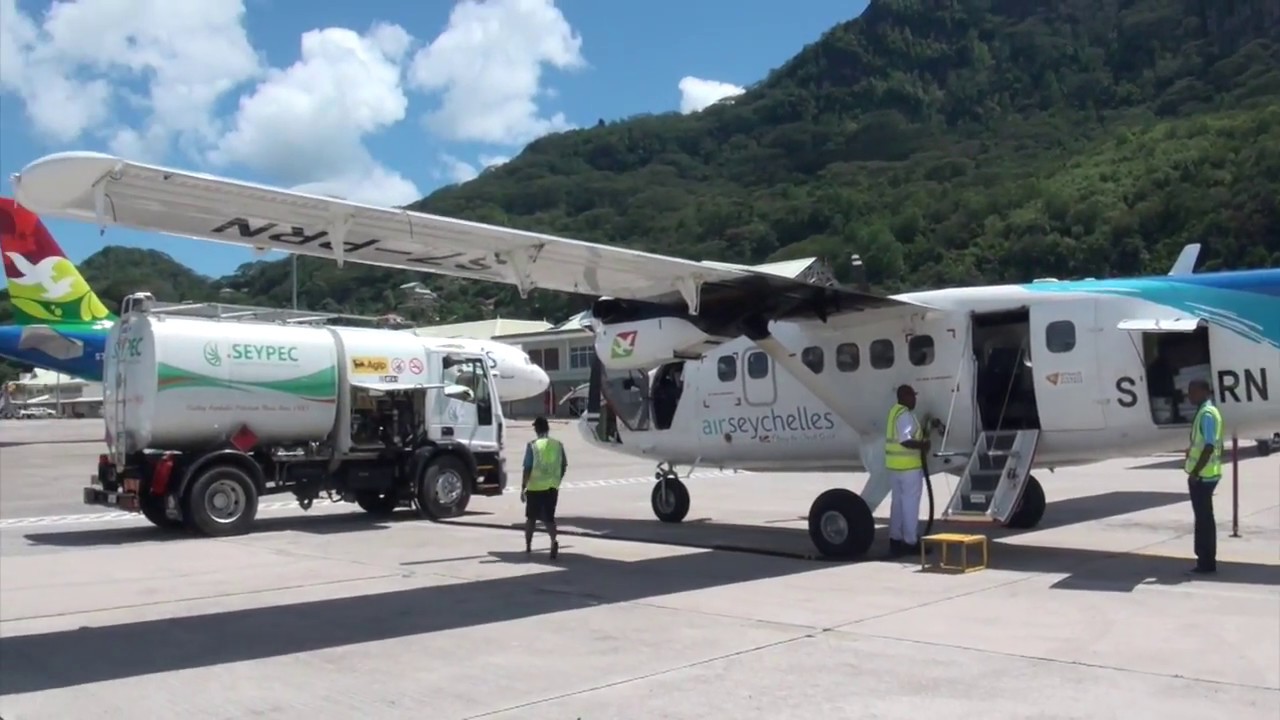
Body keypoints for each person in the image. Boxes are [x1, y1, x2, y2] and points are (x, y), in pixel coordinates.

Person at [1183, 379, 1223, 574]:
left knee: (1204, 521)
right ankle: (1206, 560)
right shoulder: (1209, 411)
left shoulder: (1206, 414)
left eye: (1193, 391)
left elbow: (1208, 446)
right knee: (1205, 519)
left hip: (1203, 477)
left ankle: (1206, 562)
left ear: (1203, 392)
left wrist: (1195, 473)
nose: (1189, 396)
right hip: (1209, 474)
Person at [885, 384, 929, 557]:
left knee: (897, 505)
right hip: (908, 468)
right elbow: (905, 440)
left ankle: (895, 540)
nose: (915, 399)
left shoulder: (893, 412)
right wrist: (923, 445)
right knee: (910, 505)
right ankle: (911, 542)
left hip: (895, 468)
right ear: (904, 397)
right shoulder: (904, 415)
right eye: (912, 396)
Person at [522, 415, 567, 559]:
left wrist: (523, 487)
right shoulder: (557, 444)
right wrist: (558, 479)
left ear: (536, 429)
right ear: (547, 428)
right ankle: (553, 540)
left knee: (531, 518)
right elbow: (564, 464)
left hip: (535, 488)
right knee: (549, 519)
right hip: (552, 487)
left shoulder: (533, 446)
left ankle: (528, 545)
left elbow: (527, 468)